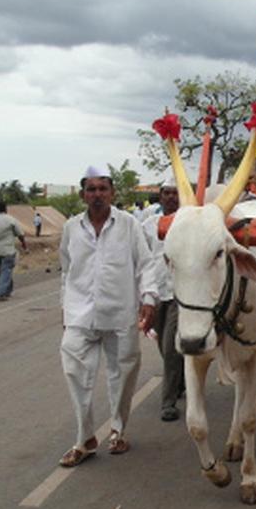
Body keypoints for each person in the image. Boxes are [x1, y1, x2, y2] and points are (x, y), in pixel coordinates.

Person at [57, 165, 159, 467]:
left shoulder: (128, 224)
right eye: (92, 189)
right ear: (82, 194)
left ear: (112, 193)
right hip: (80, 313)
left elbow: (146, 263)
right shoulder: (71, 228)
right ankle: (84, 438)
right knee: (74, 370)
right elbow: (66, 269)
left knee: (123, 373)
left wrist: (149, 298)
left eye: (103, 189)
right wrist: (65, 305)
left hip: (120, 311)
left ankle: (117, 430)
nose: (97, 194)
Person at [142, 178, 185, 422]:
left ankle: (167, 403)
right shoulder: (148, 225)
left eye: (175, 193)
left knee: (170, 348)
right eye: (166, 193)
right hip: (155, 293)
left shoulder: (189, 223)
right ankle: (179, 380)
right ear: (160, 196)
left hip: (181, 293)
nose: (170, 197)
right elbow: (141, 260)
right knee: (163, 346)